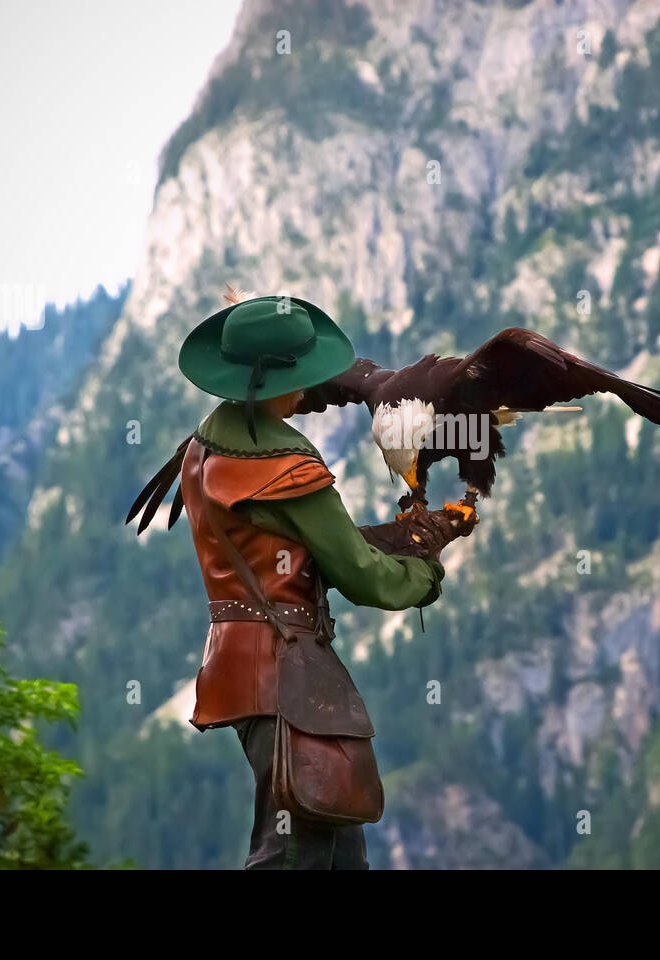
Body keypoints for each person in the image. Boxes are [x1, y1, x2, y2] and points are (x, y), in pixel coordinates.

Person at [164, 292, 475, 869]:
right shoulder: (284, 464)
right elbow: (361, 577)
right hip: (287, 674)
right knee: (292, 854)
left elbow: (296, 545)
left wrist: (396, 537)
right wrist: (424, 570)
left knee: (335, 842)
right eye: (301, 376)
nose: (310, 391)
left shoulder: (209, 441)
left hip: (243, 666)